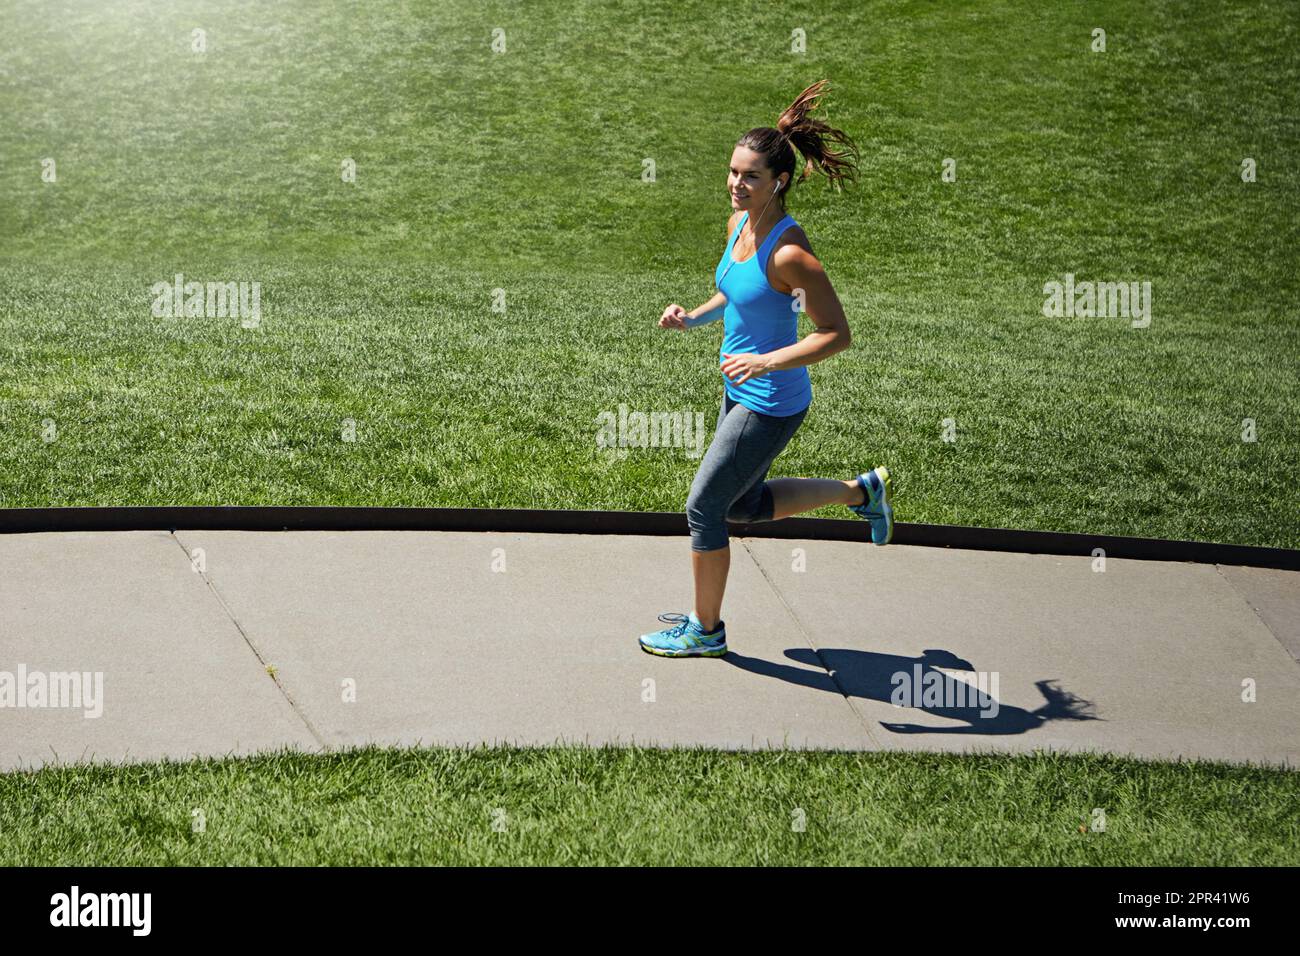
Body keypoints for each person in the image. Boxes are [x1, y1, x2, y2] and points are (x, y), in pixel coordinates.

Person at [640, 80, 893, 659]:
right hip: (740, 387)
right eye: (732, 172)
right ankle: (862, 493)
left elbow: (836, 334)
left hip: (771, 399)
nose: (736, 184)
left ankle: (706, 632)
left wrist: (765, 360)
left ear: (778, 181)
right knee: (743, 506)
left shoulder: (790, 253)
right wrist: (693, 317)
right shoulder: (739, 227)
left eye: (749, 176)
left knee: (704, 508)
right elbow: (735, 294)